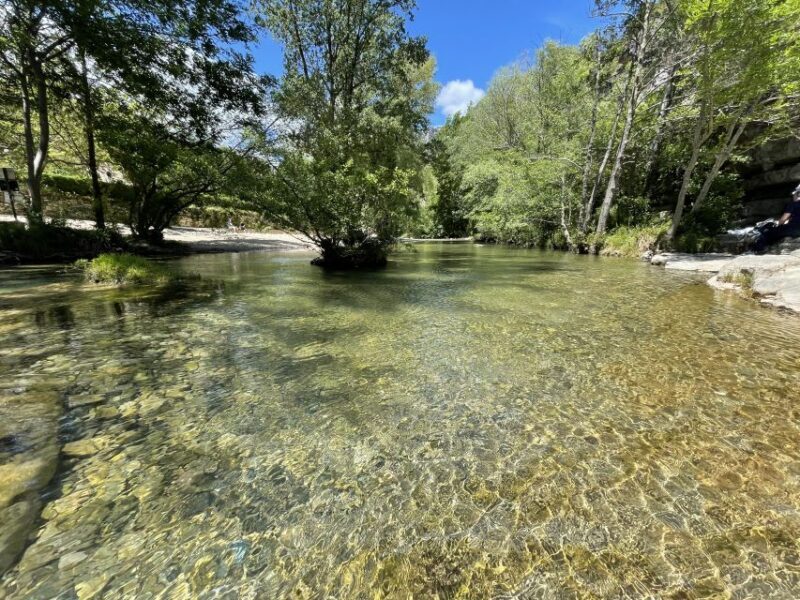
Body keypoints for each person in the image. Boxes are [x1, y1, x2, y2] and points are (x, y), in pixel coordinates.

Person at [754, 183, 800, 252]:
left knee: (768, 232)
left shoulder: (794, 204)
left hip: (795, 230)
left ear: (798, 194)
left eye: (794, 194)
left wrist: (778, 224)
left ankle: (758, 250)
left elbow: (782, 220)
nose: (793, 196)